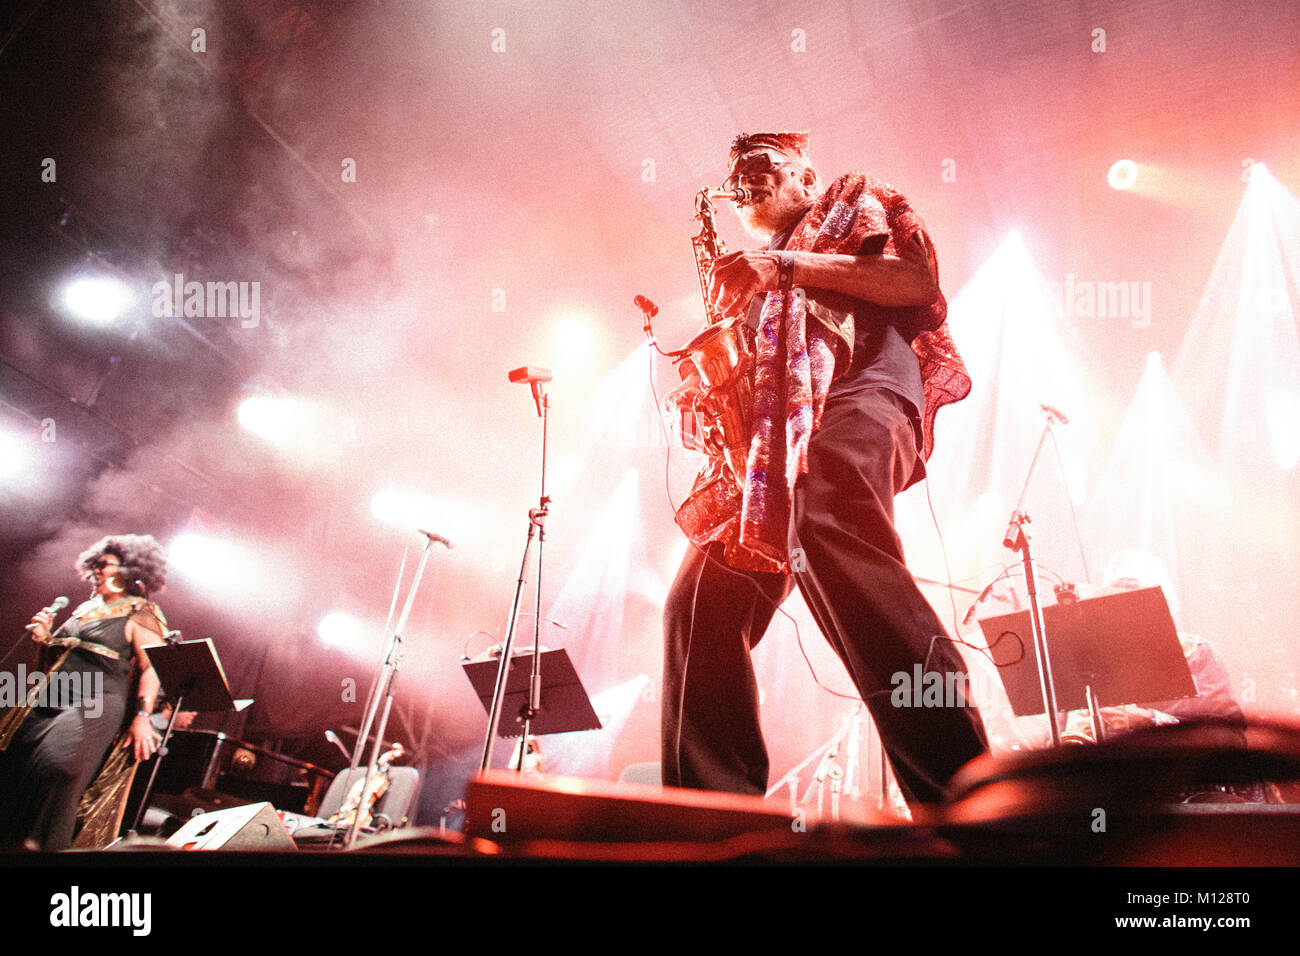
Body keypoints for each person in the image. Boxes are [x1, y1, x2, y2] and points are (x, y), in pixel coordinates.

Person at [662, 131, 987, 806]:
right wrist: (706, 398)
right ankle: (708, 811)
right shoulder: (753, 273)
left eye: (761, 168)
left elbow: (916, 280)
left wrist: (784, 266)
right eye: (735, 174)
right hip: (769, 446)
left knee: (827, 507)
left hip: (864, 389)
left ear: (806, 179)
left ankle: (962, 789)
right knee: (697, 603)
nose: (743, 181)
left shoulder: (856, 200)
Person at [0, 534, 169, 849]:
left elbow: (152, 667)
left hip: (96, 701)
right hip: (49, 699)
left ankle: (47, 849)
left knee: (57, 767)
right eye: (97, 564)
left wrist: (143, 716)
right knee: (19, 769)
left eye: (106, 564)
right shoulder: (84, 608)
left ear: (131, 570)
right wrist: (44, 639)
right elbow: (60, 661)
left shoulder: (141, 611)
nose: (98, 569)